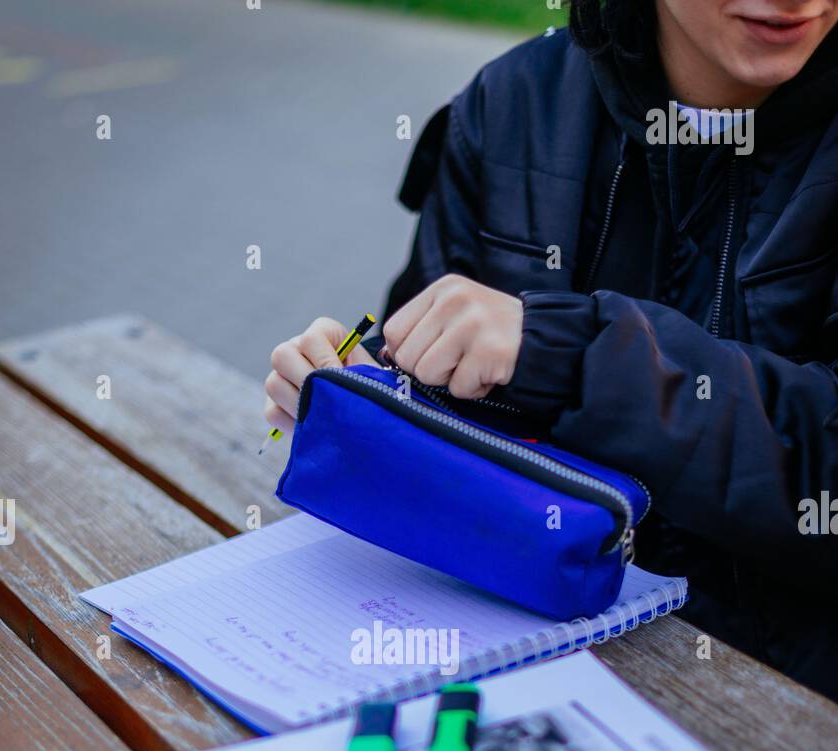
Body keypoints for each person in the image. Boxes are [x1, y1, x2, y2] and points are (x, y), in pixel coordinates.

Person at [264, 0, 838, 701]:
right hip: (510, 658)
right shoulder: (510, 103)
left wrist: (570, 358)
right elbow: (430, 406)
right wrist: (363, 403)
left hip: (783, 711)